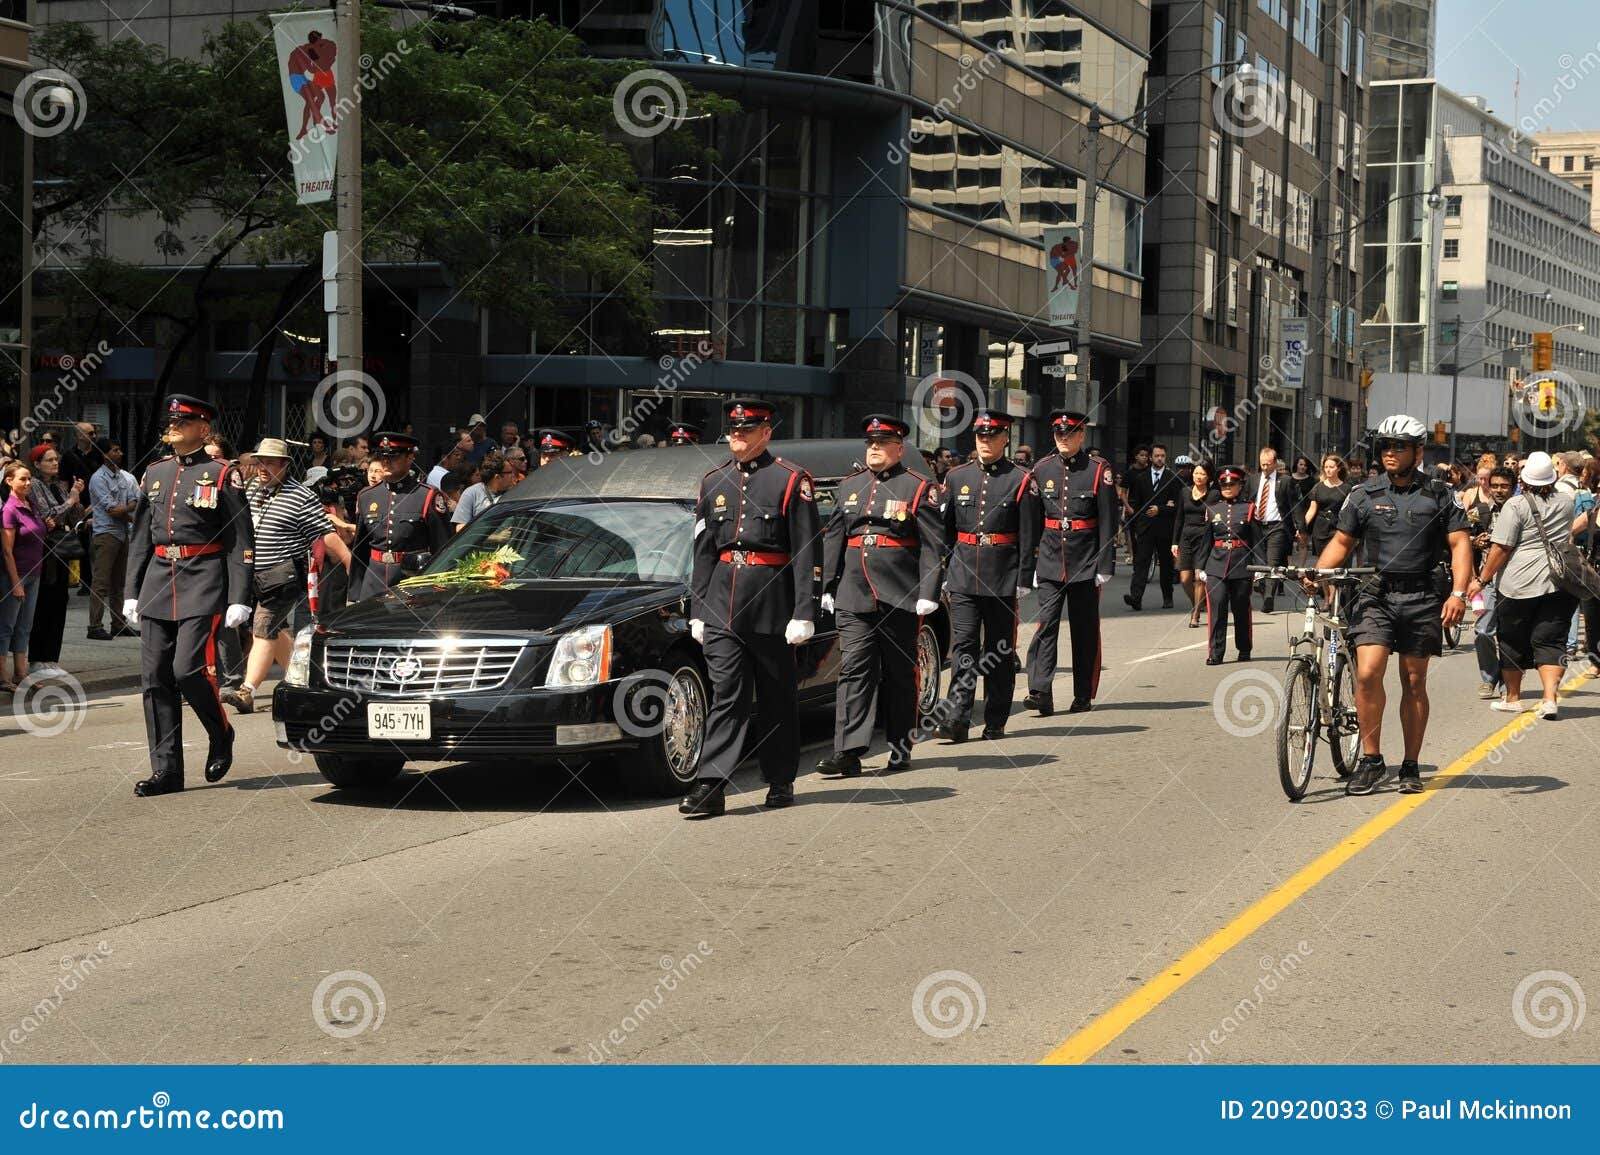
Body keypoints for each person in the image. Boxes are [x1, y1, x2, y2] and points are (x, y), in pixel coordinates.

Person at [1309, 414, 1471, 796]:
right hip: (1375, 594)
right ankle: (1371, 759)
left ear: (1418, 451)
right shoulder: (1364, 494)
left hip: (1422, 596)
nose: (1390, 453)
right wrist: (1318, 572)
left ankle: (1411, 765)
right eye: (1385, 446)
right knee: (1367, 673)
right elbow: (1342, 543)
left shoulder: (1439, 493)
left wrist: (1459, 593)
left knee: (1414, 681)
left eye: (1399, 446)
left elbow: (1460, 544)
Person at [681, 398, 820, 817]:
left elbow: (807, 551)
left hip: (773, 604)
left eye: (746, 430)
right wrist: (699, 610)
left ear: (765, 433)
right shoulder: (713, 481)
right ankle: (711, 784)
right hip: (723, 603)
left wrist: (804, 611)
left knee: (777, 695)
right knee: (727, 694)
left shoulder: (791, 480)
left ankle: (780, 779)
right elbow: (704, 551)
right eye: (733, 430)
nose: (737, 436)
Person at [122, 395, 254, 797]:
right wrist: (131, 591)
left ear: (204, 429)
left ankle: (221, 731)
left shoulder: (222, 474)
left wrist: (239, 595)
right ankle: (167, 772)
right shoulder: (155, 473)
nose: (174, 424)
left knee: (187, 670)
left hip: (204, 579)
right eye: (173, 419)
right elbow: (141, 537)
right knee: (155, 677)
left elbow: (238, 538)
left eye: (185, 420)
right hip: (159, 581)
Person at [816, 415, 943, 777]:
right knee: (855, 669)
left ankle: (900, 745)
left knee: (900, 673)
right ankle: (848, 751)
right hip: (854, 592)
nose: (874, 447)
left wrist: (929, 590)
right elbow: (834, 537)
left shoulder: (918, 486)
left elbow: (934, 544)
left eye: (882, 442)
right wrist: (827, 585)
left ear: (899, 448)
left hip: (899, 593)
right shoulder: (850, 485)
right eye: (870, 442)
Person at [935, 408, 1040, 742]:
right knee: (964, 645)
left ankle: (995, 718)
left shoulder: (1021, 479)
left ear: (1005, 439)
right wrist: (943, 570)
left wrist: (1024, 577)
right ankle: (957, 718)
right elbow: (945, 531)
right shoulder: (956, 477)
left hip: (1002, 574)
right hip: (964, 572)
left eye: (992, 436)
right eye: (981, 436)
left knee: (998, 650)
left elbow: (1028, 532)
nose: (985, 442)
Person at [225, 439, 351, 715]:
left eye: (270, 463)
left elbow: (325, 535)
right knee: (276, 631)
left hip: (282, 577)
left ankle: (247, 691)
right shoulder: (252, 489)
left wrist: (352, 565)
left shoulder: (300, 496)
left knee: (264, 626)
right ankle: (308, 680)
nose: (263, 468)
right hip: (252, 576)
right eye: (260, 462)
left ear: (284, 465)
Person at [1469, 452, 1578, 719]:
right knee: (1551, 641)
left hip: (1519, 584)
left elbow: (1502, 547)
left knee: (1512, 641)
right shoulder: (1565, 502)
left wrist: (1481, 579)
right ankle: (1550, 699)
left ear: (1523, 480)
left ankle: (1513, 698)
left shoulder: (1515, 505)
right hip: (1558, 582)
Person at [1024, 409, 1115, 714]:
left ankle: (1083, 693)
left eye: (1069, 433)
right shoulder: (1042, 468)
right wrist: (1032, 562)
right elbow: (1034, 521)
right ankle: (1040, 691)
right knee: (1045, 626)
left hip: (1085, 561)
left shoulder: (1098, 470)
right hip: (1050, 559)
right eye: (1058, 434)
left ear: (1081, 435)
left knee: (1084, 629)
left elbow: (1107, 521)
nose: (1063, 438)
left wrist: (1104, 565)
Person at [348, 432, 453, 602]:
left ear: (410, 457)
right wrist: (356, 591)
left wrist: (439, 590)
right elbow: (360, 549)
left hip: (412, 582)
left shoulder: (427, 496)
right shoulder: (367, 496)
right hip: (373, 583)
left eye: (393, 457)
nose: (385, 462)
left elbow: (442, 547)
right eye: (382, 457)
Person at [25, 444, 86, 676]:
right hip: (45, 550)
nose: (54, 463)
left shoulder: (60, 486)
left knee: (60, 601)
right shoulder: (35, 485)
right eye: (49, 460)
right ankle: (36, 658)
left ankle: (51, 658)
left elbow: (75, 516)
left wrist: (75, 497)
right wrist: (68, 502)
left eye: (56, 459)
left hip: (63, 547)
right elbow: (46, 516)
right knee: (44, 603)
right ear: (37, 464)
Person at [1197, 465, 1259, 665]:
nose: (1227, 488)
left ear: (1239, 486)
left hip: (1241, 565)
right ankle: (1216, 653)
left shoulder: (1248, 508)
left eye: (1231, 484)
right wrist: (1200, 567)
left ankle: (1244, 648)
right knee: (1217, 606)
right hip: (1216, 564)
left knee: (1241, 607)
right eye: (1224, 485)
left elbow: (1257, 540)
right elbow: (1206, 540)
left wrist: (1260, 567)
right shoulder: (1213, 509)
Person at [1466, 467, 1515, 699]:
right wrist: (1476, 541)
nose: (1499, 490)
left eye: (1504, 486)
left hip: (1517, 581)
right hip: (1487, 581)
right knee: (1483, 631)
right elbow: (1461, 536)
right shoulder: (1480, 511)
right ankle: (1489, 677)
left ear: (1513, 487)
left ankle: (1508, 681)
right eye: (1495, 485)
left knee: (1510, 634)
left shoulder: (1520, 510)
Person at [85, 438, 141, 640]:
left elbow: (135, 500)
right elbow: (113, 509)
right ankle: (94, 626)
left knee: (119, 583)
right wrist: (128, 511)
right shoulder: (98, 479)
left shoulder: (123, 477)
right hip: (106, 534)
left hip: (122, 532)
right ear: (104, 454)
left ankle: (119, 623)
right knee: (101, 583)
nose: (120, 453)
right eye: (115, 450)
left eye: (119, 449)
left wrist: (124, 510)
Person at [0, 462, 49, 692]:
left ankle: (20, 674)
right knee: (7, 625)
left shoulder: (31, 504)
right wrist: (16, 582)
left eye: (29, 479)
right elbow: (7, 551)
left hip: (34, 573)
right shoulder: (9, 509)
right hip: (15, 576)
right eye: (22, 479)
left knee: (24, 626)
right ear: (9, 481)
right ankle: (2, 678)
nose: (28, 483)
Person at [1123, 443, 1183, 610]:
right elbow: (1135, 503)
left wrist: (1161, 508)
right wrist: (1140, 520)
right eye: (1156, 455)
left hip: (1165, 529)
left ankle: (1167, 596)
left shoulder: (1172, 478)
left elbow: (1177, 505)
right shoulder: (1141, 478)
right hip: (1146, 528)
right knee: (1141, 563)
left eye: (1162, 456)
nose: (1159, 458)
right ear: (1150, 457)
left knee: (1165, 565)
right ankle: (1136, 597)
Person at [1250, 447, 1297, 612]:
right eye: (1262, 464)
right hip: (1256, 525)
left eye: (1268, 464)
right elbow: (1247, 501)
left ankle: (1269, 595)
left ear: (1275, 463)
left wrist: (1300, 528)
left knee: (1273, 561)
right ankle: (1262, 587)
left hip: (1277, 526)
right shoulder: (1253, 480)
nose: (1265, 468)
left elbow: (1294, 505)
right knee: (1259, 562)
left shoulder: (1285, 481)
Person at [1170, 458, 1213, 628]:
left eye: (1202, 473)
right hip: (1186, 538)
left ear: (1208, 476)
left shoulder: (1214, 495)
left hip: (1204, 539)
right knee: (1185, 579)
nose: (1198, 476)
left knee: (1199, 577)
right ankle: (1199, 602)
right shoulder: (1184, 492)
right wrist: (1175, 542)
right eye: (1196, 473)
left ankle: (1195, 615)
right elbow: (1179, 518)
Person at [452, 450, 518, 531]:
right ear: (498, 477)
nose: (513, 475)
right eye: (510, 472)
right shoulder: (471, 493)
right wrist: (495, 538)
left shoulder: (516, 493)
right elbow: (460, 528)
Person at [1301, 454, 1351, 560]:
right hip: (1320, 529)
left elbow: (1349, 512)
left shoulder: (1347, 488)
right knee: (1322, 562)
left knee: (1336, 561)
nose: (1328, 470)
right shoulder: (1318, 487)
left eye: (1331, 467)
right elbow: (1312, 510)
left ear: (1339, 469)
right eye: (1326, 467)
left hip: (1338, 528)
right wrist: (1302, 527)